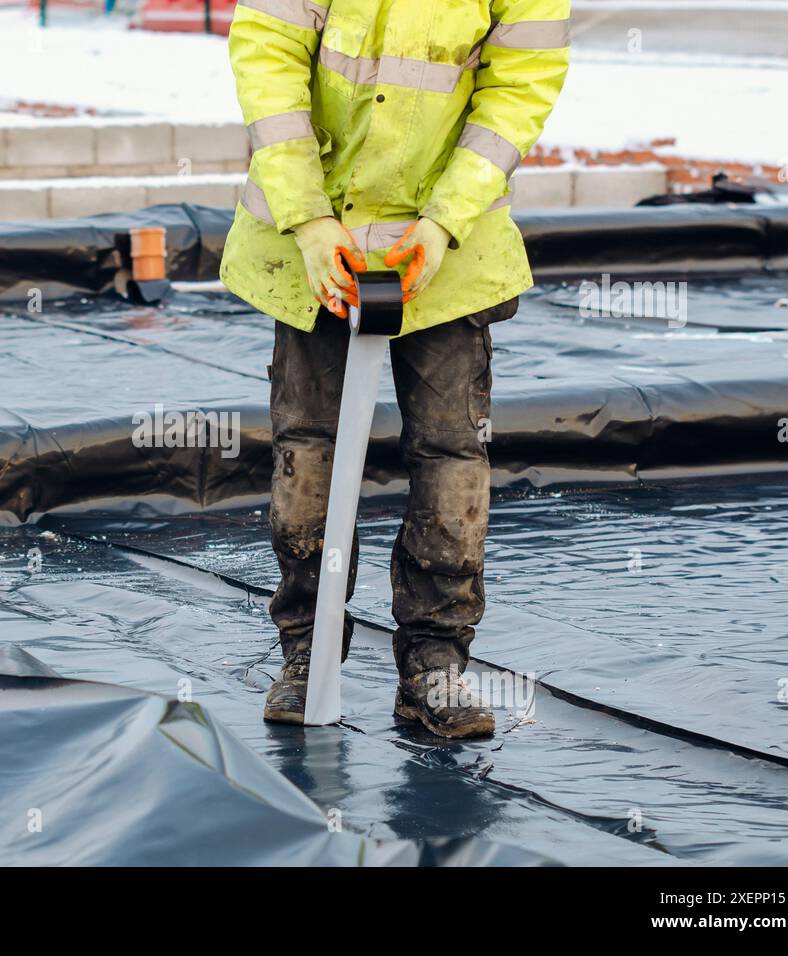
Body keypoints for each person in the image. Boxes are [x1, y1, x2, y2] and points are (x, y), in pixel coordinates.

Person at [220, 0, 570, 737]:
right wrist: (310, 220)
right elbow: (269, 63)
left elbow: (519, 85)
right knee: (307, 454)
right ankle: (308, 651)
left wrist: (444, 221)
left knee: (452, 457)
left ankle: (435, 665)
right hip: (313, 242)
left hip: (448, 249)